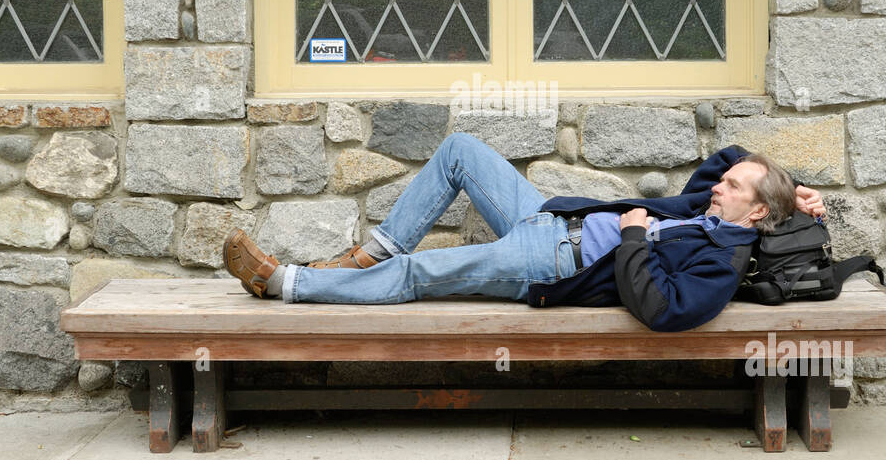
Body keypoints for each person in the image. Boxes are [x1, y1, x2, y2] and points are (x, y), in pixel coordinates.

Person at [223, 131, 825, 333]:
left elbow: (666, 311)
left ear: (755, 215)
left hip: (549, 262)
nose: (721, 185)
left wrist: (637, 235)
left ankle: (286, 284)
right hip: (549, 216)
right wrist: (787, 183)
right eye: (731, 182)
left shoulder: (719, 258)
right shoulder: (711, 206)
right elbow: (725, 158)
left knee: (419, 276)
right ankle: (370, 253)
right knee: (460, 150)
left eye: (738, 189)